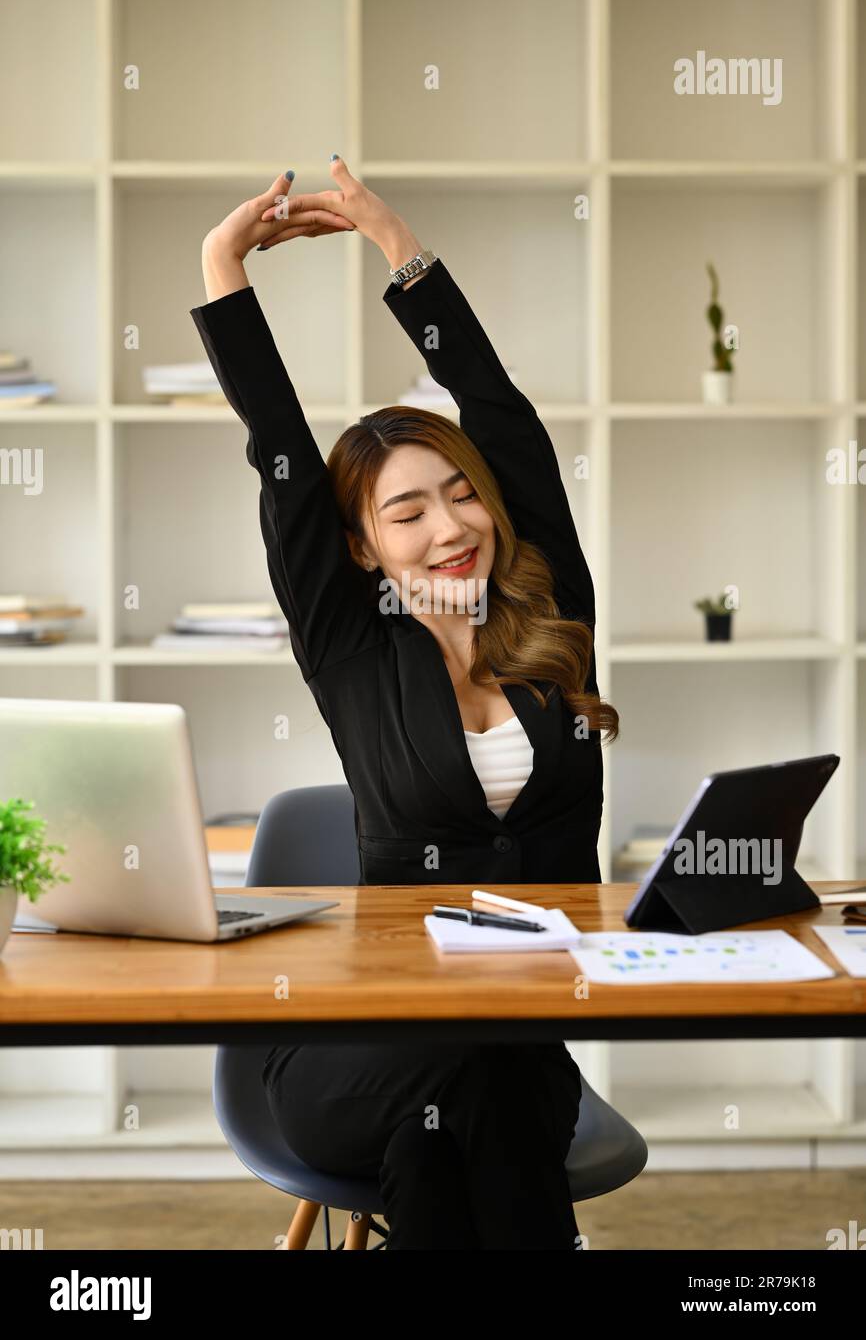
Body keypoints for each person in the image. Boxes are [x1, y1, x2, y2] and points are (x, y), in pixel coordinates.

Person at [190, 157, 619, 1249]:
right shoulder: (348, 646)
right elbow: (282, 454)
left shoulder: (547, 612)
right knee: (485, 1099)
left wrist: (399, 250)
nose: (451, 525)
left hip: (512, 1038)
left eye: (463, 491)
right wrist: (221, 266)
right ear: (362, 545)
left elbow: (501, 412)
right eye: (409, 510)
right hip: (360, 1044)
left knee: (447, 1143)